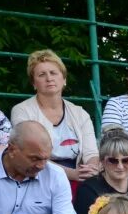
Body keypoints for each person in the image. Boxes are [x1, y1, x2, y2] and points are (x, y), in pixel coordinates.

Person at [10, 50, 99, 183]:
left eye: (53, 73)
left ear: (64, 79)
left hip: (80, 176)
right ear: (34, 83)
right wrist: (71, 174)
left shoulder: (80, 113)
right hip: (38, 176)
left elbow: (91, 153)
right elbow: (32, 156)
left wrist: (90, 170)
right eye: (42, 74)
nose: (49, 78)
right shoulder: (22, 111)